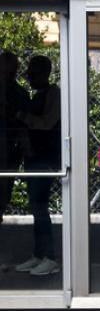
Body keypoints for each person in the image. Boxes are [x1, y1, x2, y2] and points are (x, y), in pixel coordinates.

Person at [15, 56, 60, 276]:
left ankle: (49, 257)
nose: (29, 78)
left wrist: (23, 117)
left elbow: (48, 122)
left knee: (40, 207)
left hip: (45, 158)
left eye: (32, 74)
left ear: (44, 73)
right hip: (34, 158)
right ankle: (39, 254)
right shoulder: (39, 95)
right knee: (36, 206)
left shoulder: (53, 94)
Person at [0, 51, 31, 223]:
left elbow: (24, 124)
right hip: (10, 150)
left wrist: (24, 149)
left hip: (10, 150)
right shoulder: (21, 93)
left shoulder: (20, 94)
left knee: (4, 192)